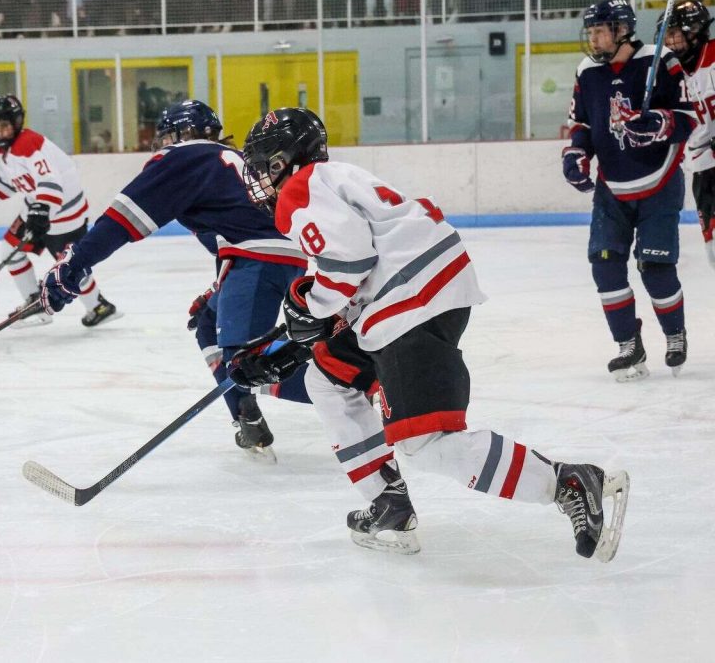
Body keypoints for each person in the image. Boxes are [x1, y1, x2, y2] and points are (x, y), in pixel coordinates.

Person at [231, 106, 630, 562]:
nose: (259, 178)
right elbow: (358, 271)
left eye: (264, 166)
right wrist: (299, 337)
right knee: (328, 375)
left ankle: (568, 482)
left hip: (408, 304)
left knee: (426, 443)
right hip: (418, 291)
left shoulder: (300, 189)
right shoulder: (334, 179)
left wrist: (310, 307)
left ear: (286, 161)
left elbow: (349, 262)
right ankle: (387, 501)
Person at [39, 100, 310, 459]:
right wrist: (219, 289)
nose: (162, 143)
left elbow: (123, 217)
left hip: (258, 256)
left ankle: (351, 385)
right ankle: (245, 416)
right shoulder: (229, 160)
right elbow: (232, 232)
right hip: (285, 254)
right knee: (208, 326)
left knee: (245, 364)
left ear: (183, 133)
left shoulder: (186, 156)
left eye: (166, 135)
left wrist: (74, 266)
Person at [564, 0, 694, 380]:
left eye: (600, 30)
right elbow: (582, 124)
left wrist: (656, 123)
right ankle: (628, 344)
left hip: (660, 182)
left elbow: (688, 118)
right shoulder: (587, 71)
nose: (593, 38)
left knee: (655, 268)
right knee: (604, 265)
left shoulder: (661, 60)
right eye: (590, 31)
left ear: (622, 30)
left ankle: (674, 334)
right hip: (612, 188)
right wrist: (575, 154)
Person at [0, 94, 118, 327]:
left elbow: (50, 180)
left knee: (69, 266)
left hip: (65, 214)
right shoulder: (6, 149)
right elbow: (12, 182)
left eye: (4, 126)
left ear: (16, 123)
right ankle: (35, 303)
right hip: (40, 208)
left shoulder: (28, 143)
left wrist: (42, 209)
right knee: (10, 249)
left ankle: (99, 305)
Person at [658, 0, 715, 271]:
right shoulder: (668, 74)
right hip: (703, 169)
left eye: (673, 33)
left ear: (694, 30)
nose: (668, 42)